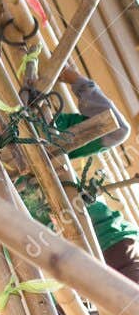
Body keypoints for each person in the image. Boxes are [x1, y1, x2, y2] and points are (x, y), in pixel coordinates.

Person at [14, 66, 139, 284]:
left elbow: (115, 128)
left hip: (113, 246)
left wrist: (78, 82)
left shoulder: (36, 132)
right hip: (73, 270)